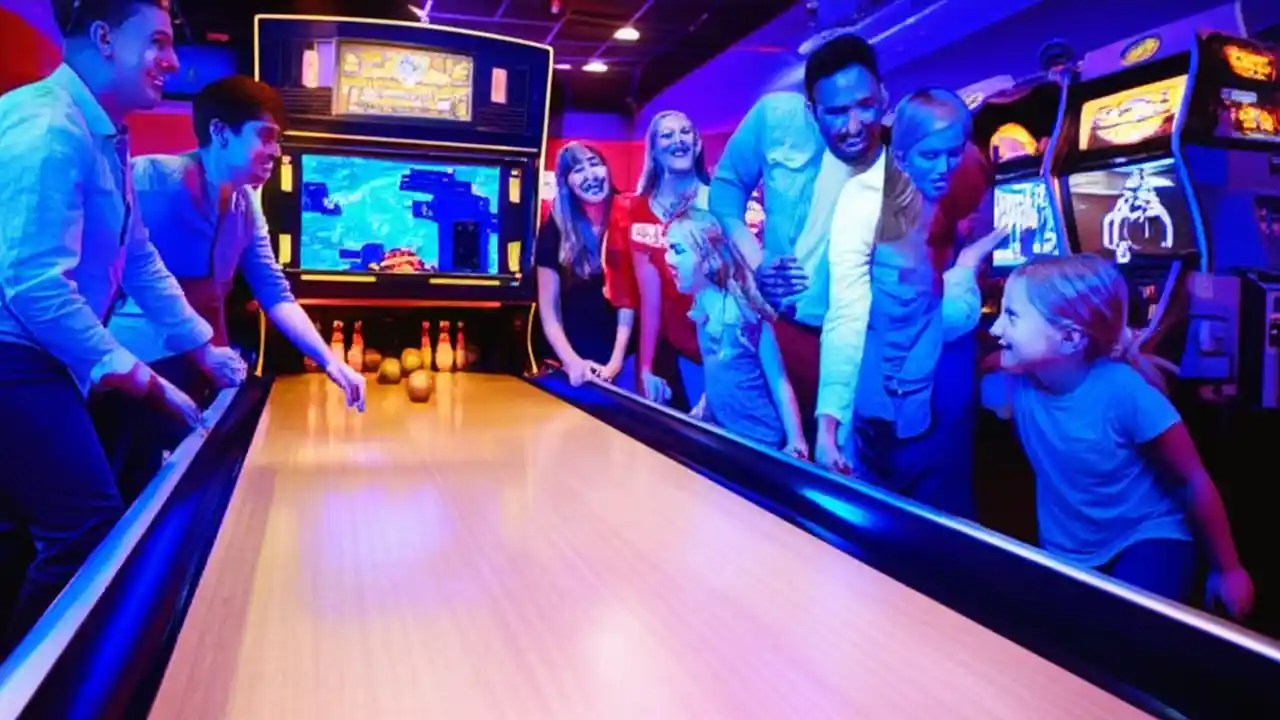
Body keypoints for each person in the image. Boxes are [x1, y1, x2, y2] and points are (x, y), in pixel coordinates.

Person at [0, 0, 244, 650]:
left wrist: (204, 349)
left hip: (37, 352)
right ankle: (32, 693)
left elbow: (138, 258)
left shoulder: (102, 132)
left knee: (26, 529)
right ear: (105, 38)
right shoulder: (49, 127)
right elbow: (32, 286)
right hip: (13, 351)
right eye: (159, 42)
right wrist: (142, 377)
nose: (173, 60)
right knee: (85, 522)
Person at [709, 33, 990, 447]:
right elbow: (726, 188)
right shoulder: (774, 119)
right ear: (811, 110)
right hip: (784, 332)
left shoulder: (907, 163)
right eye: (837, 112)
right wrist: (758, 258)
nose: (854, 126)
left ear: (884, 97)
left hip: (862, 345)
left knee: (855, 472)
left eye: (865, 106)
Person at [100, 75, 366, 501]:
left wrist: (331, 362)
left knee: (189, 491)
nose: (276, 152)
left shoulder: (246, 203)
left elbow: (275, 293)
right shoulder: (146, 179)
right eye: (266, 137)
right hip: (141, 368)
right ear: (220, 133)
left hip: (204, 365)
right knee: (132, 505)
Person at [983, 254, 1253, 618]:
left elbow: (1193, 479)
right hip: (1070, 549)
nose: (995, 329)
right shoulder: (1020, 382)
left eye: (1012, 315)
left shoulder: (1125, 393)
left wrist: (1228, 570)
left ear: (1070, 338)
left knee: (1125, 630)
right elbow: (986, 367)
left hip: (1148, 534)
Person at [816, 88, 1003, 518]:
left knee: (941, 510)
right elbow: (847, 312)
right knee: (873, 504)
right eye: (930, 156)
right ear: (899, 155)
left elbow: (968, 262)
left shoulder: (969, 170)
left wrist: (967, 265)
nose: (945, 167)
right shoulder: (863, 204)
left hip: (944, 371)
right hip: (880, 365)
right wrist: (830, 420)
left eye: (953, 153)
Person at [663, 209, 807, 459]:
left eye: (677, 249)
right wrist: (702, 410)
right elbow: (718, 375)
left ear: (706, 256)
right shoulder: (701, 309)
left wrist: (797, 441)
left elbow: (780, 382)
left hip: (760, 442)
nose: (667, 258)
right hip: (724, 435)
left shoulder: (747, 315)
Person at [604, 110, 708, 410]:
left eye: (685, 132)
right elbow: (637, 296)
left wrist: (719, 380)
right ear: (654, 150)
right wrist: (645, 367)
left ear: (698, 144)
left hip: (710, 352)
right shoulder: (630, 209)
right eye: (667, 135)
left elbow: (734, 296)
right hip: (659, 350)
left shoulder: (718, 204)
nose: (679, 140)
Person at [535, 142, 635, 389]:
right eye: (578, 170)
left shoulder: (629, 215)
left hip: (625, 360)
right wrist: (571, 362)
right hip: (576, 361)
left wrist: (615, 363)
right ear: (566, 183)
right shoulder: (555, 230)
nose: (590, 175)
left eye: (594, 164)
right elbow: (549, 312)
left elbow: (628, 300)